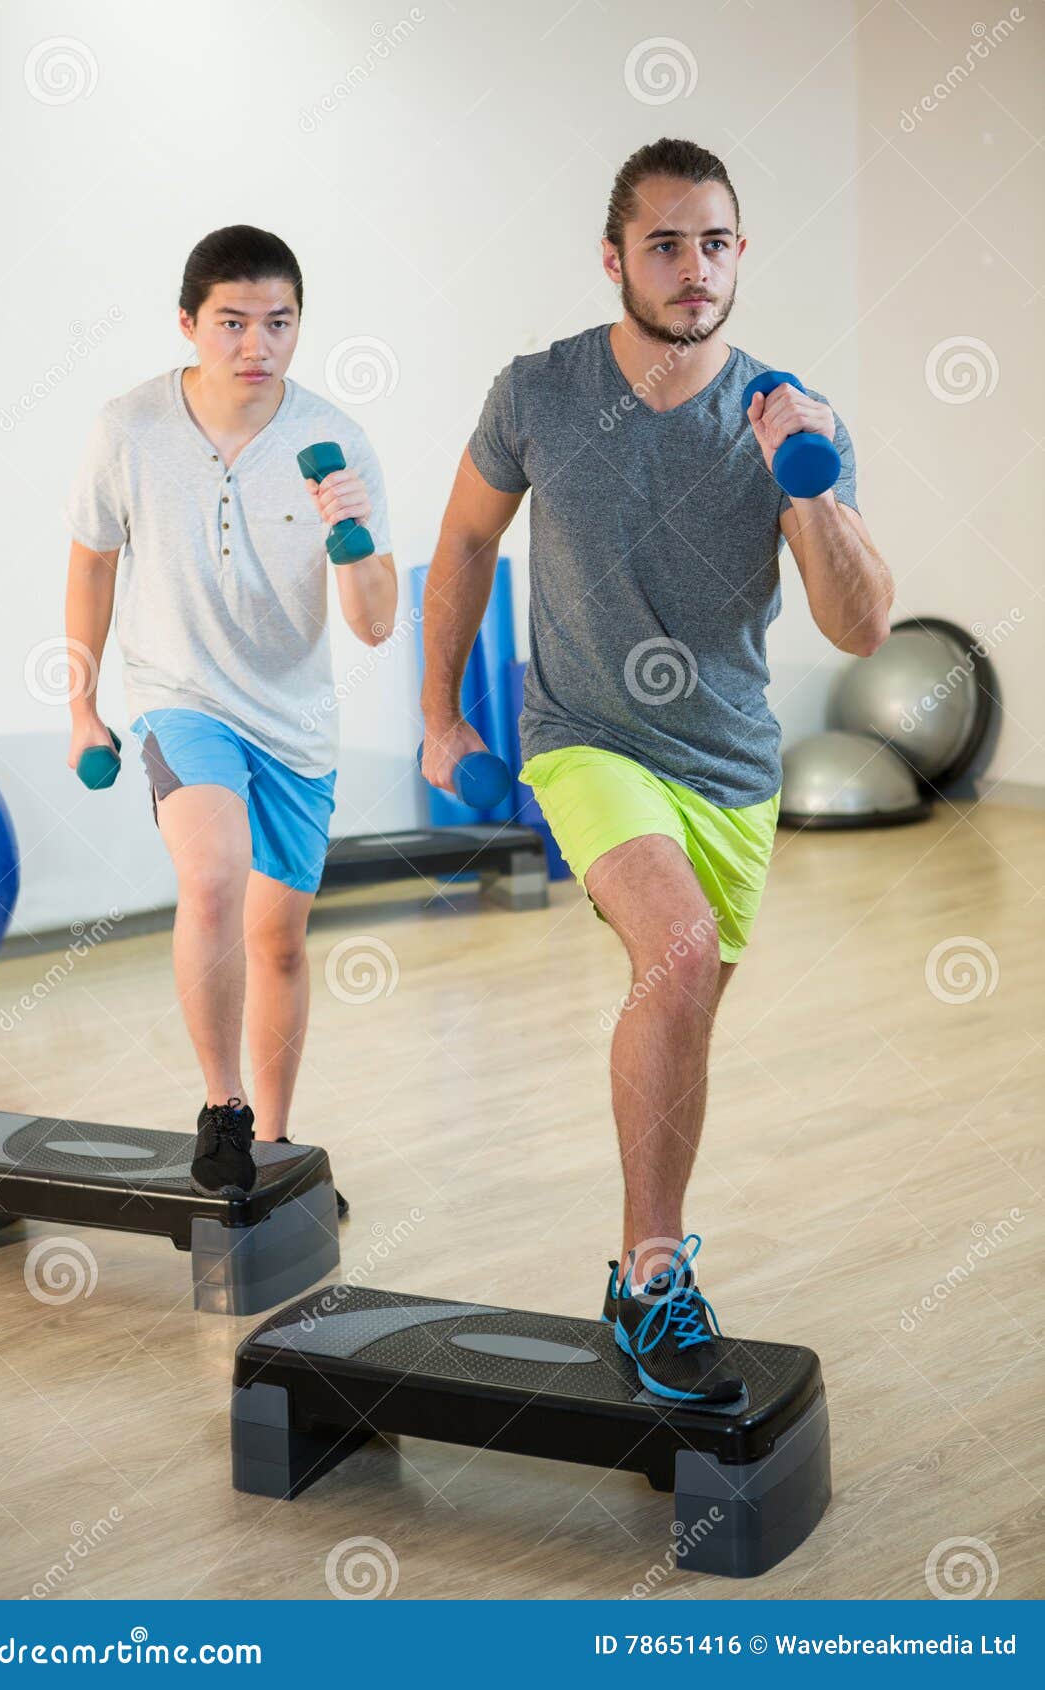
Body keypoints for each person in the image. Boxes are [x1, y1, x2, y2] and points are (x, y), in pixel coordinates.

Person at [420, 139, 893, 1403]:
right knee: (675, 955)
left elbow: (857, 629)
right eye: (667, 244)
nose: (694, 270)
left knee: (682, 1016)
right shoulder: (539, 391)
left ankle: (650, 1260)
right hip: (584, 737)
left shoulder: (789, 414)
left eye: (716, 242)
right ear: (614, 257)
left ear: (740, 253)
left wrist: (817, 485)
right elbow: (465, 540)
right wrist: (438, 718)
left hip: (733, 765)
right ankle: (648, 1275)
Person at [64, 225, 396, 1201]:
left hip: (294, 723)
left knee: (278, 937)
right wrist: (82, 703)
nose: (257, 344)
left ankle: (279, 1147)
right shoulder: (129, 428)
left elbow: (374, 624)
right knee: (211, 879)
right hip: (181, 698)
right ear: (188, 323)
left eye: (279, 323)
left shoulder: (334, 443)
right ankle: (223, 1109)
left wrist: (353, 532)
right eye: (233, 322)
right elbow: (91, 560)